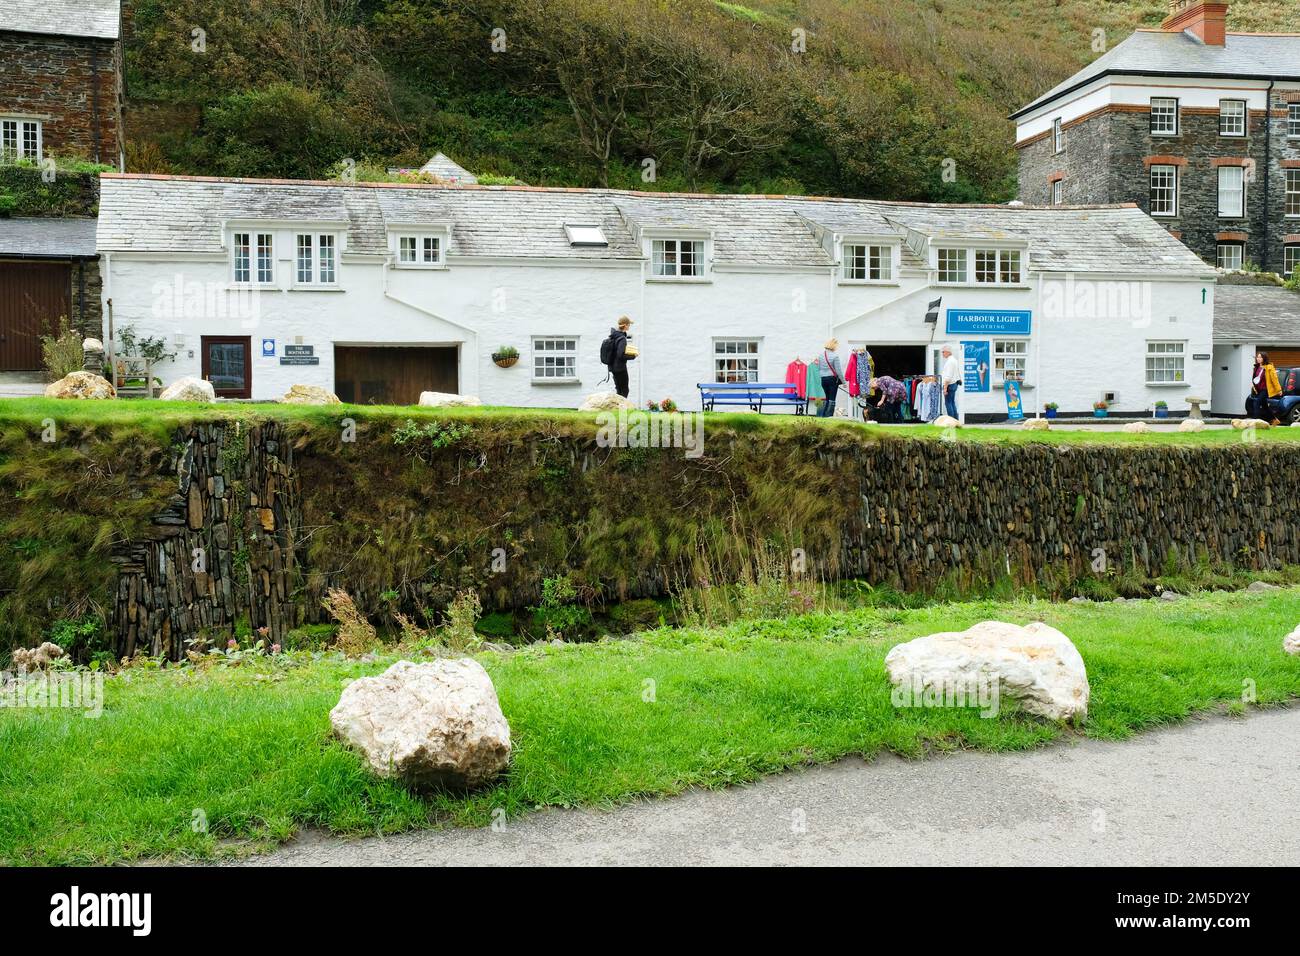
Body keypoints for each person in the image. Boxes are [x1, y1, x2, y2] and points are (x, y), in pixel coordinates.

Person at [602, 316, 636, 398]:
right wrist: (633, 356)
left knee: (619, 390)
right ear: (625, 326)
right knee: (624, 390)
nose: (629, 326)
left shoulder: (614, 335)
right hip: (620, 368)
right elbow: (621, 355)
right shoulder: (622, 338)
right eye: (629, 325)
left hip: (613, 367)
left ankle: (618, 410)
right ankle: (622, 410)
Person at [1248, 351, 1282, 423]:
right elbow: (1255, 378)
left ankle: (1256, 422)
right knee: (1264, 406)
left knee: (1256, 403)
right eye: (1258, 357)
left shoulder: (1269, 367)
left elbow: (1274, 379)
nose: (1258, 358)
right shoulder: (1256, 367)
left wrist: (1279, 390)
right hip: (1259, 390)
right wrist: (1254, 386)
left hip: (1266, 389)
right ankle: (1274, 420)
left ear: (1264, 358)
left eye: (1260, 357)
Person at [816, 338, 845, 418]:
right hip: (832, 379)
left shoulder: (821, 355)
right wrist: (844, 382)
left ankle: (823, 415)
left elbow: (819, 368)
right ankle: (829, 416)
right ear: (834, 346)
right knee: (832, 399)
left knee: (827, 398)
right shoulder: (835, 356)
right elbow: (838, 371)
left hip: (823, 379)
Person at [940, 344, 961, 419]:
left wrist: (945, 388)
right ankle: (956, 420)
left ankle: (951, 421)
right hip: (954, 384)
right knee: (952, 403)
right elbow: (957, 373)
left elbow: (948, 377)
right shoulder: (954, 360)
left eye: (943, 352)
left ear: (948, 352)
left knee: (948, 403)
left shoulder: (950, 362)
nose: (942, 353)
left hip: (949, 384)